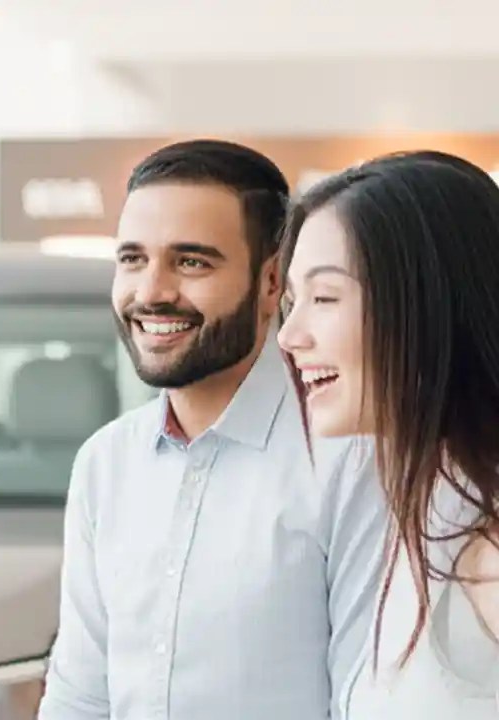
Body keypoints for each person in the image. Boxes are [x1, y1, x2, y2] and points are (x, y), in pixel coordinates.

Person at [36, 139, 387, 720]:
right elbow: (80, 694)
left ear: (272, 282)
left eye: (191, 261)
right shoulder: (107, 461)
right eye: (132, 259)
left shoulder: (348, 454)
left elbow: (371, 701)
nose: (151, 292)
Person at [278, 150, 499, 718]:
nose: (290, 335)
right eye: (290, 302)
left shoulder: (486, 540)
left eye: (324, 298)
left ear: (428, 304)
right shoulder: (420, 505)